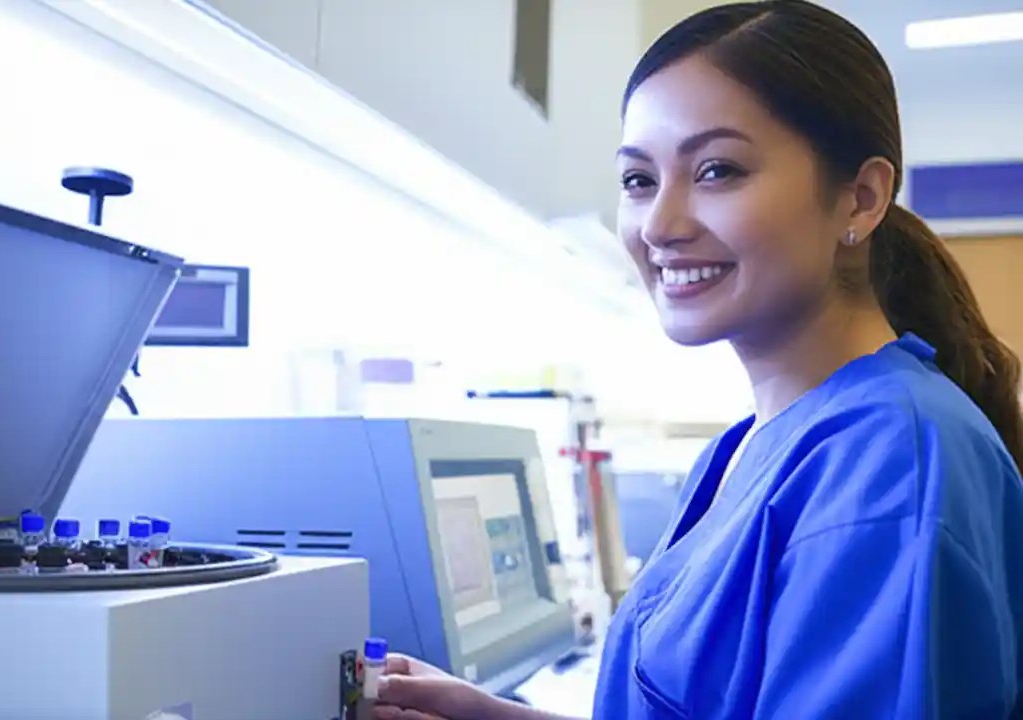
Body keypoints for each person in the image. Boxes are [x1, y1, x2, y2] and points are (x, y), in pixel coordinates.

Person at [372, 1, 1023, 718]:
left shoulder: (891, 459)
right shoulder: (744, 450)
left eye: (716, 170)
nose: (659, 225)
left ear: (860, 199)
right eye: (638, 180)